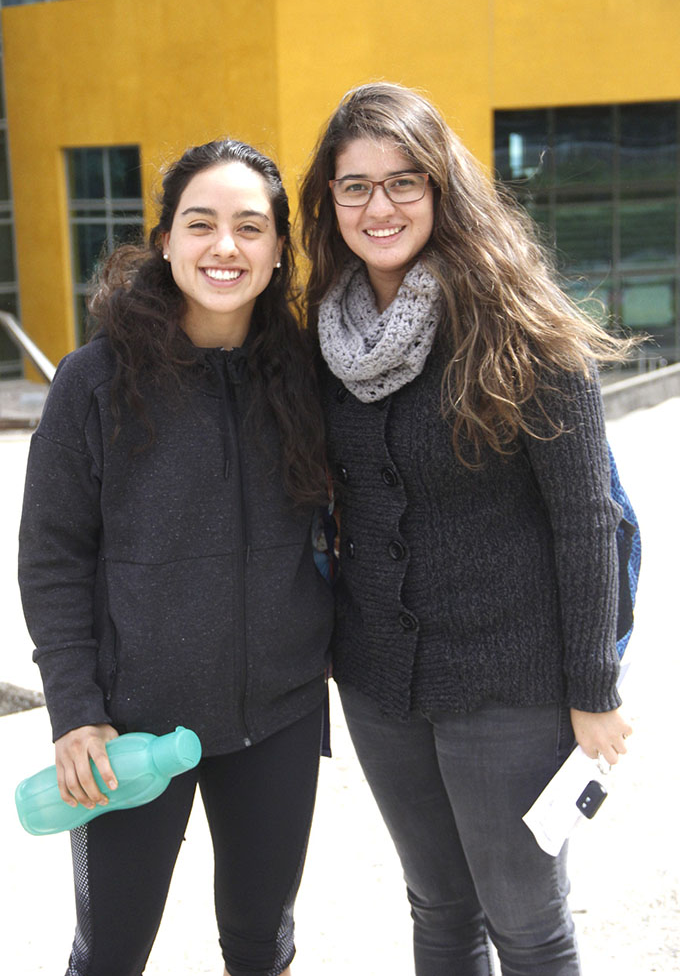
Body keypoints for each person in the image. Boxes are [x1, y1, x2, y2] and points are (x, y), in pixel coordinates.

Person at [299, 82, 635, 976]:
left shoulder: (521, 326)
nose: (381, 205)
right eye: (356, 185)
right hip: (380, 684)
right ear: (328, 204)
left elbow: (584, 519)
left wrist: (593, 688)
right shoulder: (321, 337)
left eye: (405, 181)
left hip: (511, 684)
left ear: (444, 189)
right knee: (440, 911)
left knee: (527, 924)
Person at [18, 138, 333, 976]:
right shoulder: (92, 382)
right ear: (164, 241)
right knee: (112, 950)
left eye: (249, 227)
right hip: (128, 722)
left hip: (280, 713)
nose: (224, 247)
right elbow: (51, 556)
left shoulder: (306, 374)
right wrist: (76, 710)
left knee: (262, 944)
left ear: (276, 251)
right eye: (201, 224)